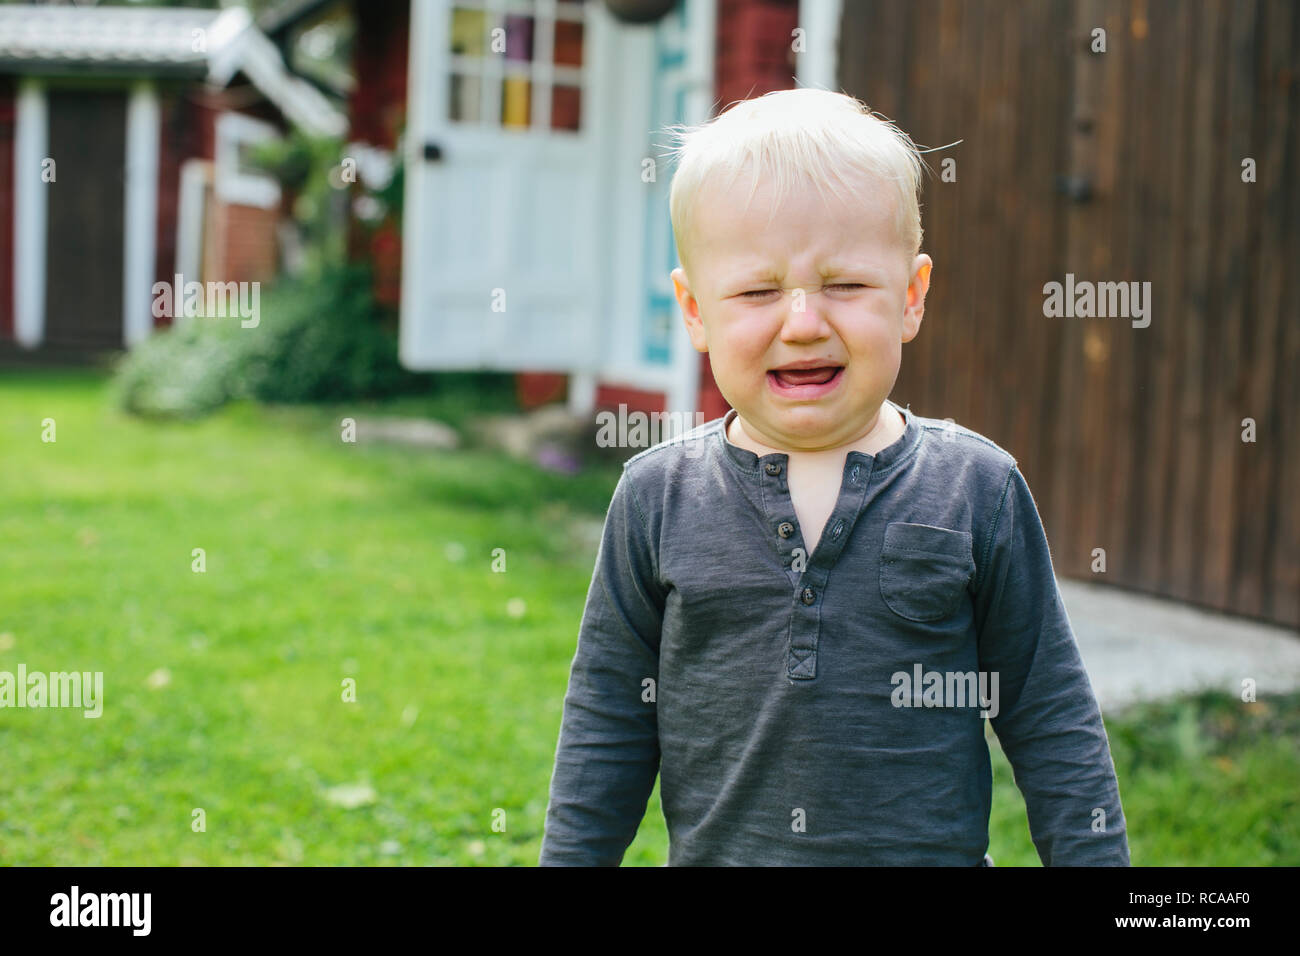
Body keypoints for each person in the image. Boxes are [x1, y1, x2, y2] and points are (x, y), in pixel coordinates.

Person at [539, 88, 1129, 866]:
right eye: (757, 291)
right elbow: (608, 717)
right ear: (695, 310)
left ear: (910, 297)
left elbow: (1048, 711)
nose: (804, 323)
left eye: (845, 285)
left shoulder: (976, 490)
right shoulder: (658, 498)